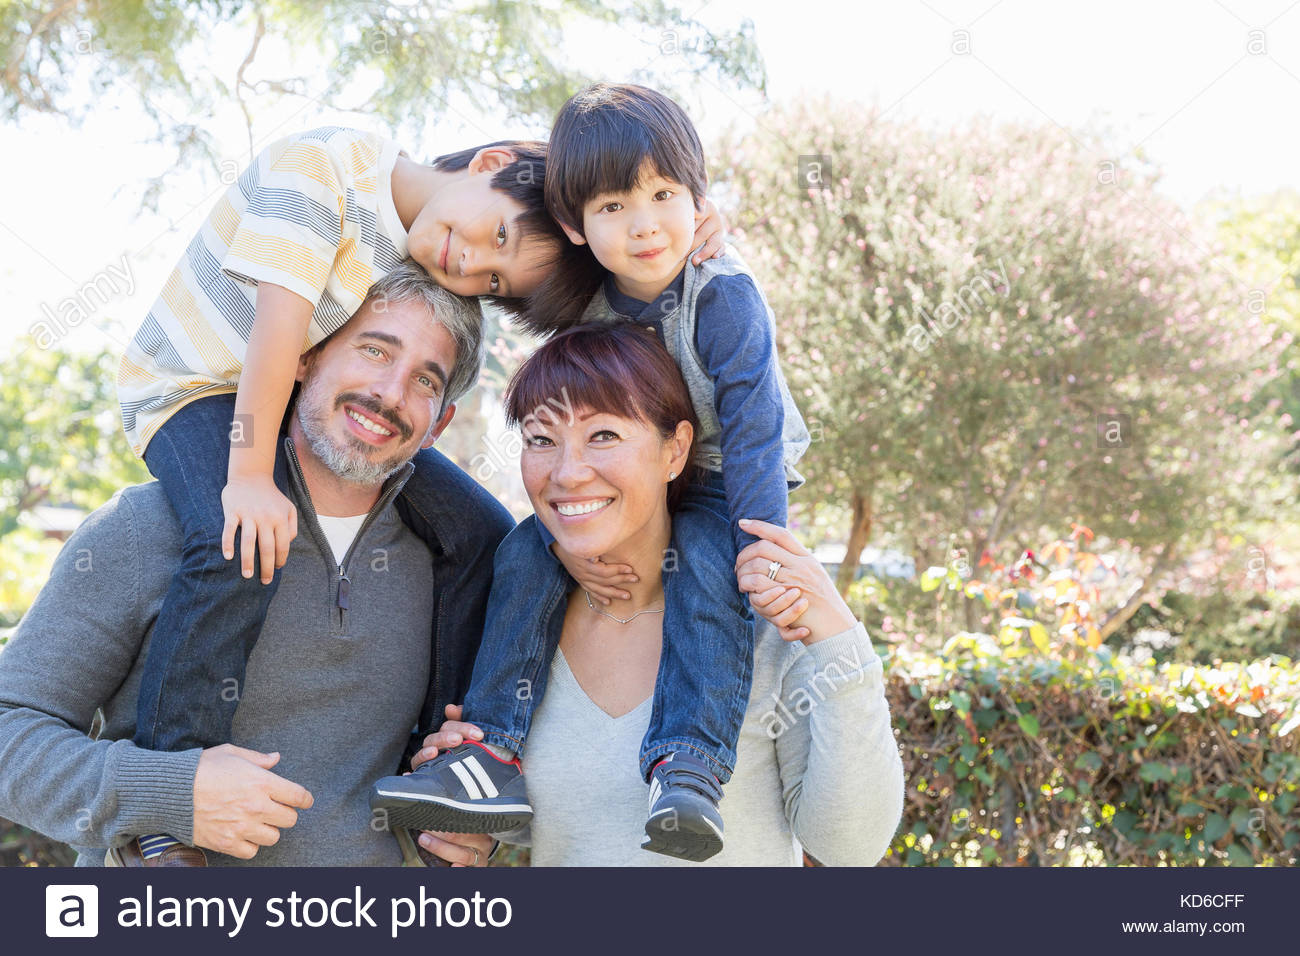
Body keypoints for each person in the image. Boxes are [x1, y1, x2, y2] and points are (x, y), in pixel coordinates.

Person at [115, 125, 728, 863]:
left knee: (482, 532)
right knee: (229, 537)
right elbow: (278, 334)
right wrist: (246, 479)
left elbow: (594, 257)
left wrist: (679, 234)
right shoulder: (323, 171)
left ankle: (441, 769)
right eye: (495, 235)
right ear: (489, 162)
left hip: (283, 402)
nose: (472, 264)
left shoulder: (424, 245)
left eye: (495, 282)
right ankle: (172, 798)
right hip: (198, 393)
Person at [371, 84, 811, 862]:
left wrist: (763, 548)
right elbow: (564, 431)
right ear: (576, 226)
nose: (645, 224)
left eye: (666, 195)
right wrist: (570, 542)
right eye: (612, 207)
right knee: (521, 551)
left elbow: (754, 431)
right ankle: (489, 753)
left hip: (724, 479)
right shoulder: (585, 302)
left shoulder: (724, 295)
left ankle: (689, 768)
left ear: (697, 195)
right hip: (633, 481)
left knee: (706, 568)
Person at [0, 262, 506, 868]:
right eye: (374, 350)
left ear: (439, 425)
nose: (391, 394)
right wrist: (170, 794)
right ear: (303, 356)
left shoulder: (449, 568)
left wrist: (469, 826)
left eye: (426, 381)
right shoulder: (149, 528)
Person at [380, 324, 904, 865]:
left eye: (603, 435)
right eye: (541, 440)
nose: (566, 472)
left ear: (674, 450)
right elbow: (570, 831)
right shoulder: (517, 628)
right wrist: (476, 829)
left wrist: (840, 644)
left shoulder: (764, 621)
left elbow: (849, 848)